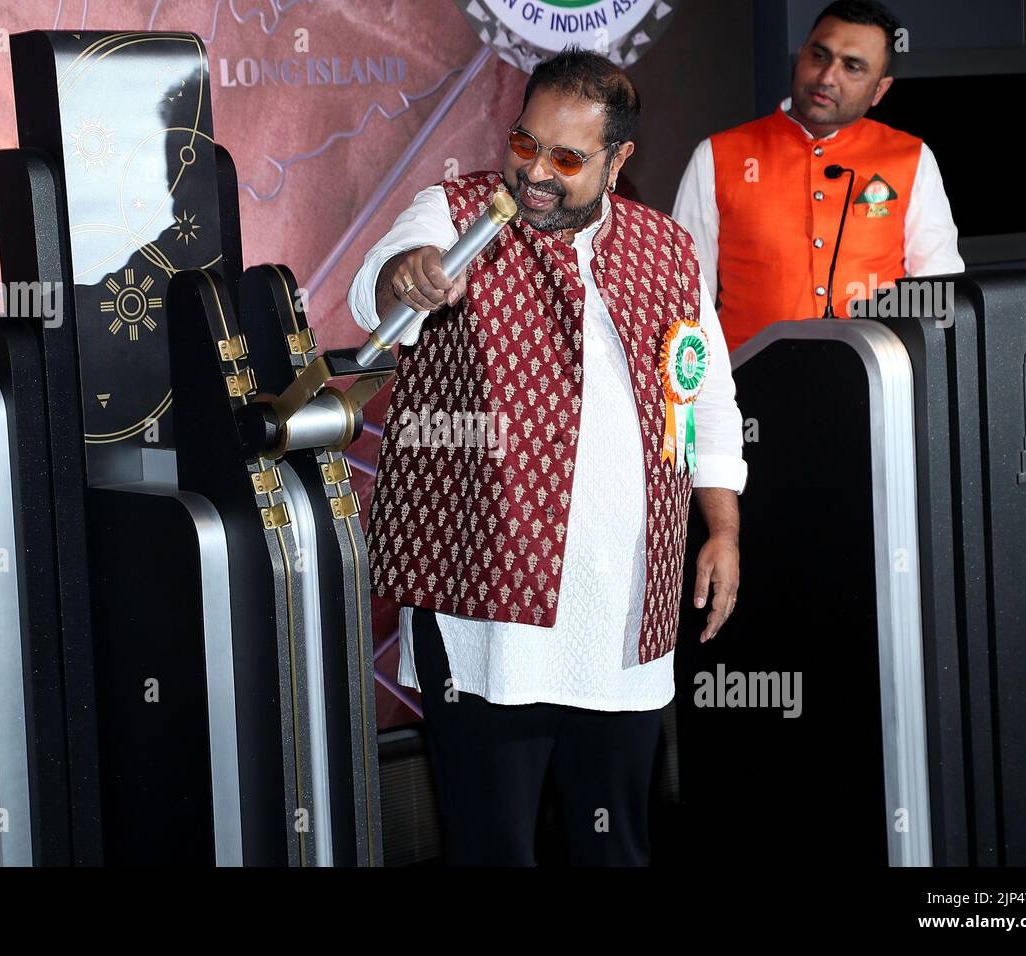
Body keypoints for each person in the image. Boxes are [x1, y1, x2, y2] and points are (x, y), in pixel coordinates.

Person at [347, 48, 747, 866]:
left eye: (566, 158)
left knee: (617, 849)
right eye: (525, 144)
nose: (535, 172)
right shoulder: (455, 212)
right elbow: (376, 289)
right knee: (493, 850)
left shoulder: (669, 253)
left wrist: (722, 527)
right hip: (485, 613)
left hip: (623, 605)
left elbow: (706, 399)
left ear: (619, 158)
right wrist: (410, 276)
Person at [673, 0, 965, 352]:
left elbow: (938, 287)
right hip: (747, 381)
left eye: (852, 67)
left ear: (879, 90)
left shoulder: (911, 157)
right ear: (801, 56)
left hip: (878, 380)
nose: (827, 77)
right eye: (819, 56)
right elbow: (685, 294)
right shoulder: (717, 155)